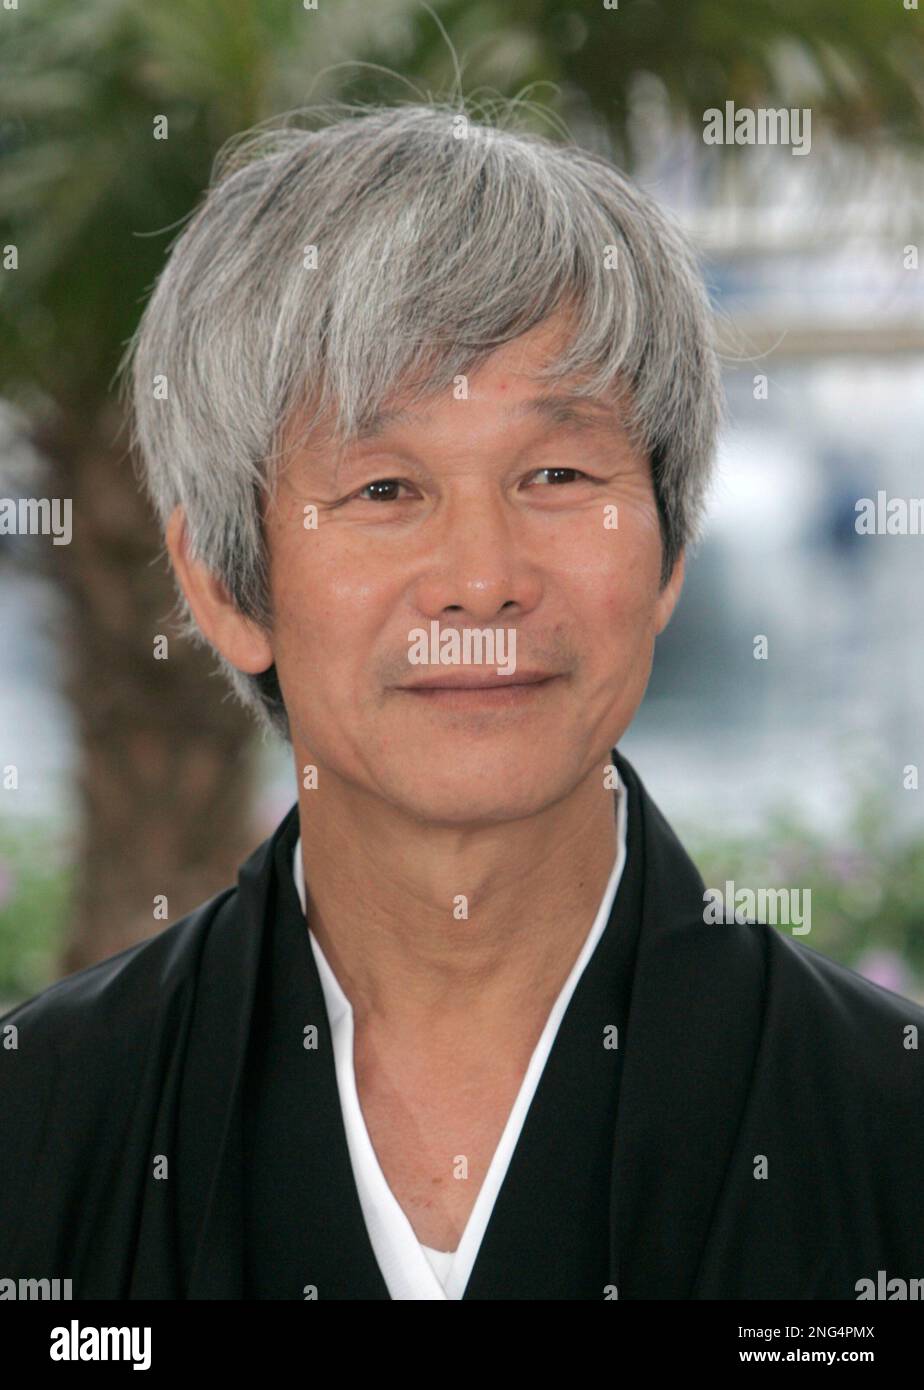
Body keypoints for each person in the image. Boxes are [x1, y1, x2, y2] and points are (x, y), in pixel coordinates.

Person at [2, 100, 922, 1302]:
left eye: (557, 473)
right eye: (385, 487)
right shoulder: (43, 1131)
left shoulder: (886, 1127)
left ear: (669, 548)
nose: (483, 578)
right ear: (225, 582)